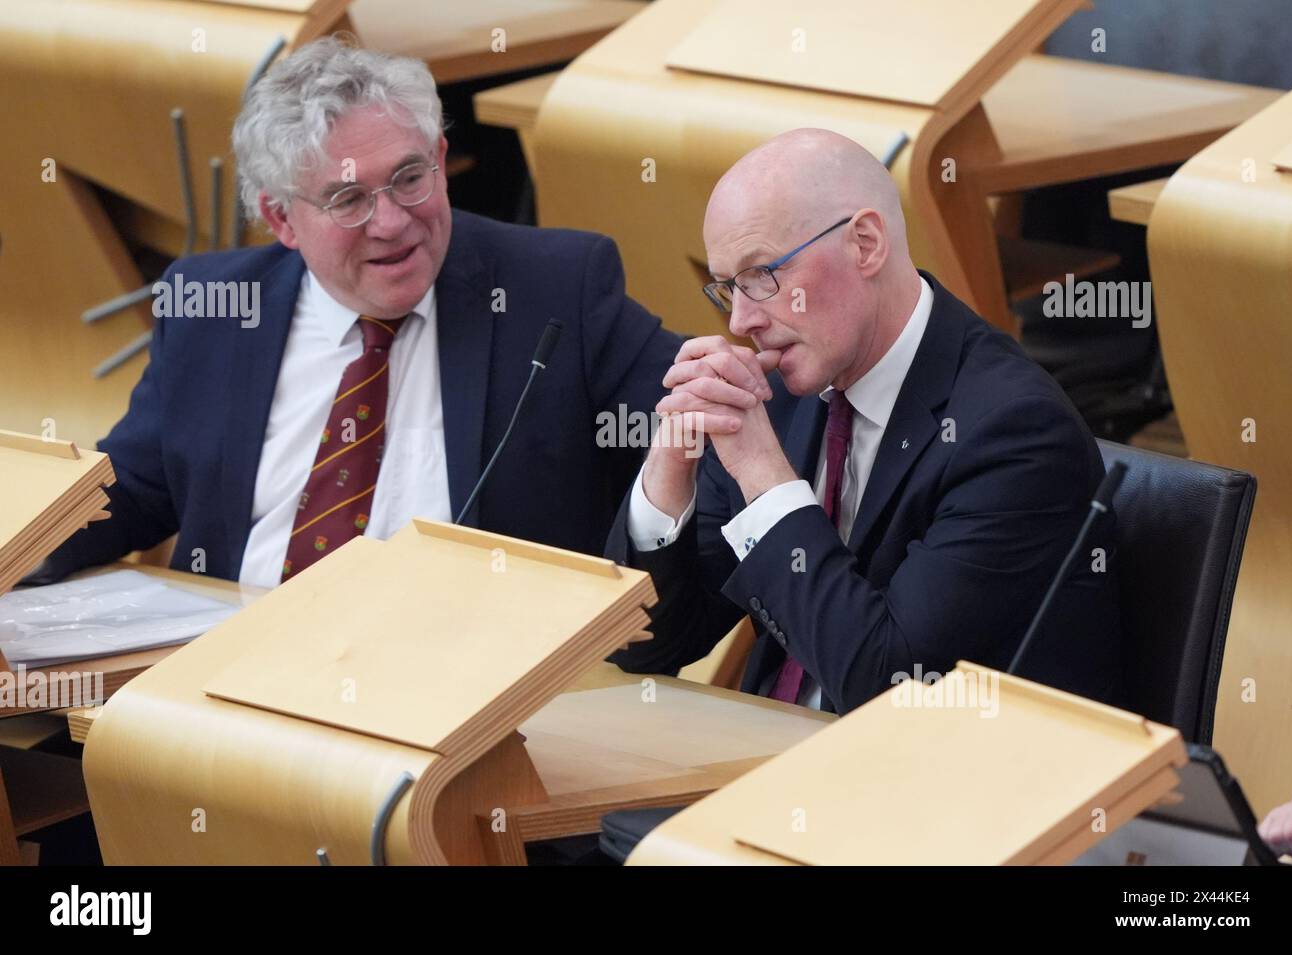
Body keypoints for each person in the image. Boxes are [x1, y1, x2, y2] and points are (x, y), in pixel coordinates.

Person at [39, 38, 680, 588]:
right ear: (281, 218)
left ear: (442, 159)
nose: (393, 223)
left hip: (465, 676)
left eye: (409, 177)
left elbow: (691, 422)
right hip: (231, 664)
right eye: (348, 199)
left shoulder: (554, 288)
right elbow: (131, 490)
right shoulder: (214, 309)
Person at [608, 128, 1123, 715]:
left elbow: (886, 686)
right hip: (775, 767)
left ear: (865, 243)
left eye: (762, 275)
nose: (743, 320)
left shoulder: (1015, 435)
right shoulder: (781, 397)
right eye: (729, 289)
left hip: (948, 784)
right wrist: (666, 475)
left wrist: (761, 472)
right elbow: (646, 647)